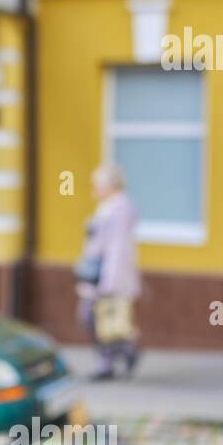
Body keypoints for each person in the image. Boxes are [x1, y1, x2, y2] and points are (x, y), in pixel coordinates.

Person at [74, 163, 141, 380]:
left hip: (108, 276)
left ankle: (111, 360)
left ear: (110, 185)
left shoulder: (120, 210)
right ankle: (124, 353)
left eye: (98, 185)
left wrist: (109, 282)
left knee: (98, 318)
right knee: (96, 318)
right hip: (96, 274)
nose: (94, 190)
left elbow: (117, 248)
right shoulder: (107, 207)